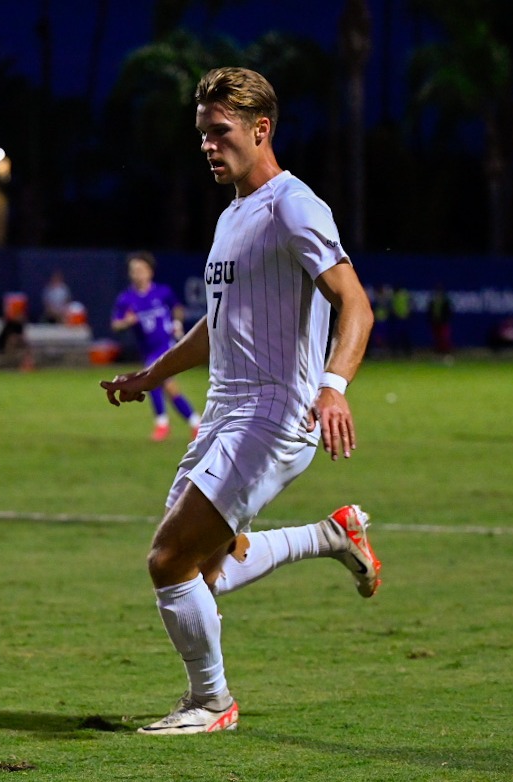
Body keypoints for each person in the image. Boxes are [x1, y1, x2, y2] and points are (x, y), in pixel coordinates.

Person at [100, 67, 381, 736]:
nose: (207, 144)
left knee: (169, 561)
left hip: (275, 415)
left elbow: (355, 303)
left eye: (219, 131)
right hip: (227, 411)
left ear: (261, 130)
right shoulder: (232, 215)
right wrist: (151, 376)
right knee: (200, 568)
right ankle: (330, 535)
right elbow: (218, 323)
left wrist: (334, 387)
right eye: (202, 132)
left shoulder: (293, 206)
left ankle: (211, 702)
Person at [112, 251, 201, 441]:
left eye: (141, 269)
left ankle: (162, 424)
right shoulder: (126, 299)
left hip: (165, 345)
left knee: (155, 379)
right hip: (147, 350)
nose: (137, 274)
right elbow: (115, 324)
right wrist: (127, 322)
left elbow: (177, 308)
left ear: (150, 272)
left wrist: (177, 324)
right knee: (167, 386)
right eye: (134, 270)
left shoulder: (162, 292)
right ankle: (196, 423)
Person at [428, 283, 454, 363]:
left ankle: (446, 354)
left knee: (444, 338)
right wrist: (432, 319)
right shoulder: (433, 301)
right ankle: (438, 355)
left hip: (443, 322)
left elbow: (449, 311)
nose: (438, 293)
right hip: (435, 322)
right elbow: (430, 311)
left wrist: (445, 319)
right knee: (437, 338)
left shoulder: (445, 301)